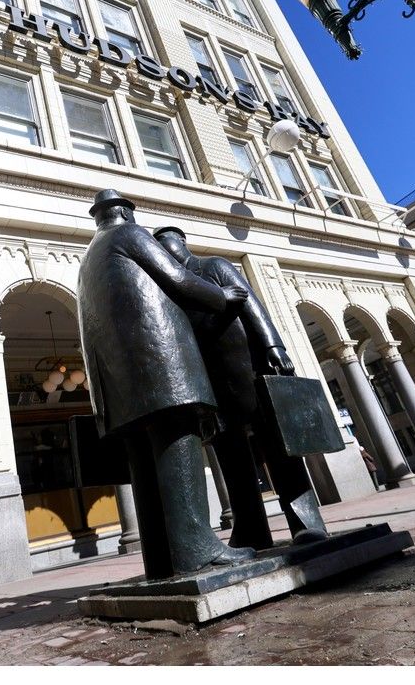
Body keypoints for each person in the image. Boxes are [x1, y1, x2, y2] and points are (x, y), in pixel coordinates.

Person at [77, 189, 254, 579]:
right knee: (179, 442)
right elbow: (178, 279)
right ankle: (198, 549)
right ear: (124, 210)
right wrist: (222, 297)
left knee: (143, 460)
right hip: (160, 363)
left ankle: (159, 558)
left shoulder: (88, 258)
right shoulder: (129, 234)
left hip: (120, 383)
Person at [154, 225, 327, 549]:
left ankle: (306, 522)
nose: (166, 249)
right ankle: (251, 529)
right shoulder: (173, 288)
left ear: (182, 241)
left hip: (250, 370)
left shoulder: (214, 266)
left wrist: (274, 347)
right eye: (160, 245)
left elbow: (252, 307)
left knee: (279, 448)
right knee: (232, 457)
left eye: (168, 241)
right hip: (214, 385)